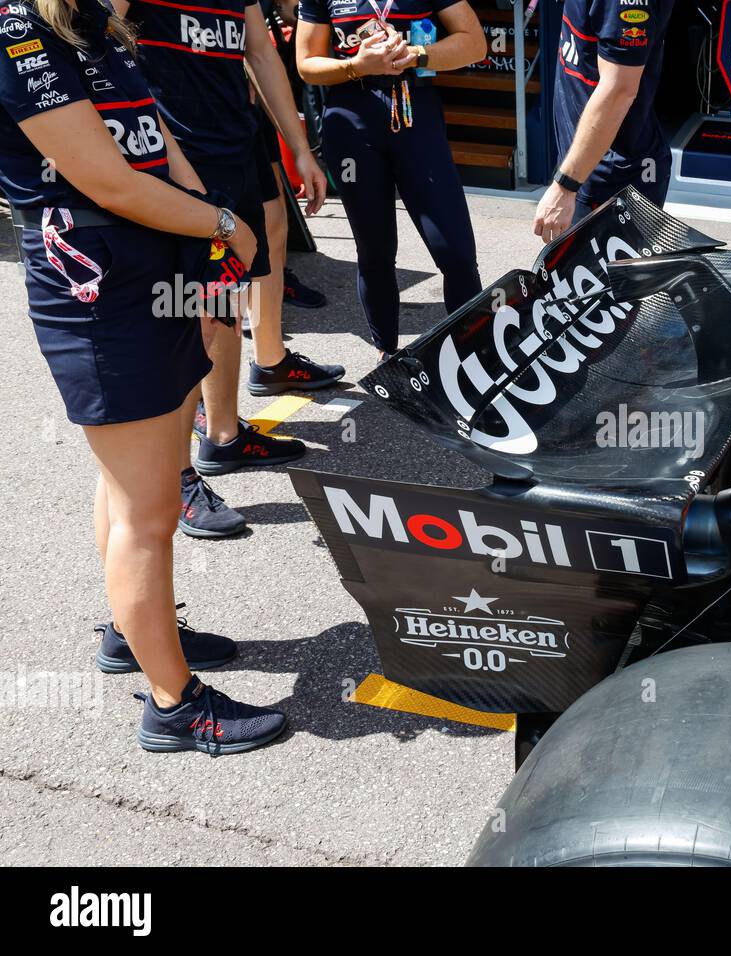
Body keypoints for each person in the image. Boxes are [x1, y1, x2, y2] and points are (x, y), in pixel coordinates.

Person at [0, 0, 286, 753]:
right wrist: (227, 226)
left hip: (154, 265)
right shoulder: (16, 29)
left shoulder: (92, 23)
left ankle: (134, 635)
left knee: (130, 485)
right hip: (96, 285)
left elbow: (155, 144)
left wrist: (204, 217)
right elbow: (111, 183)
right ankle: (174, 705)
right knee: (149, 514)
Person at [113, 0, 342, 538]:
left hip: (234, 151)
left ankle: (223, 437)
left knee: (221, 310)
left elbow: (260, 52)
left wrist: (301, 149)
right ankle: (172, 477)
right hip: (177, 164)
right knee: (186, 322)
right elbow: (98, 41)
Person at [296, 0, 486, 359]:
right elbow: (307, 64)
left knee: (455, 250)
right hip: (351, 121)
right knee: (375, 251)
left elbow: (474, 42)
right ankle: (387, 352)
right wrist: (356, 65)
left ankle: (475, 356)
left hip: (416, 112)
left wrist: (417, 54)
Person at [534, 0, 675, 241]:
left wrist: (565, 186)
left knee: (613, 279)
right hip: (588, 171)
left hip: (611, 180)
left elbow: (619, 91)